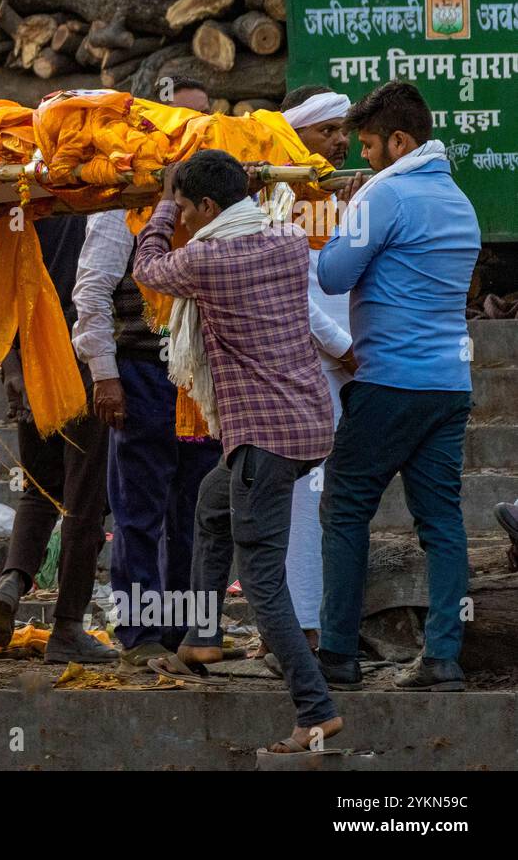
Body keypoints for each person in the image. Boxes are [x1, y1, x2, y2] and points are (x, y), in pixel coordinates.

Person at [133, 150, 342, 754]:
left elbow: (148, 265)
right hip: (307, 423)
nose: (187, 222)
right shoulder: (285, 241)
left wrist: (161, 204)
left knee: (263, 583)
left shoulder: (207, 259)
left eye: (190, 211)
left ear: (204, 206)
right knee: (209, 500)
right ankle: (202, 634)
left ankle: (315, 711)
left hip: (263, 439)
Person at [317, 81, 481, 692]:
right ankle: (442, 656)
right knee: (441, 521)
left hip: (388, 383)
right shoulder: (458, 201)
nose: (363, 158)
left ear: (400, 141)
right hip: (448, 386)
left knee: (346, 509)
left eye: (368, 145)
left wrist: (329, 224)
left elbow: (333, 276)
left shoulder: (385, 198)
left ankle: (336, 653)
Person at [71, 78, 221, 668]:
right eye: (181, 121)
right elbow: (91, 292)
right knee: (139, 511)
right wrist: (104, 374)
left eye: (204, 120)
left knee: (200, 510)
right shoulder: (123, 205)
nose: (194, 133)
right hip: (140, 374)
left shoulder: (220, 206)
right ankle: (140, 636)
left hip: (201, 379)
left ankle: (191, 633)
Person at [0, 216, 119, 665]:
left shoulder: (28, 206)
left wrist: (11, 361)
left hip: (34, 359)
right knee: (85, 501)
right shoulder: (108, 205)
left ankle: (14, 578)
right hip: (85, 360)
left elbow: (2, 291)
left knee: (39, 491)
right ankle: (68, 627)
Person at [254, 85, 356, 663]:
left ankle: (325, 630)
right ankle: (300, 634)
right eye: (327, 131)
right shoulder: (276, 200)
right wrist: (342, 347)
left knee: (335, 499)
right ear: (295, 136)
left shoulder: (349, 194)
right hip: (307, 368)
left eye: (344, 130)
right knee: (300, 502)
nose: (340, 141)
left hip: (350, 366)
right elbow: (294, 292)